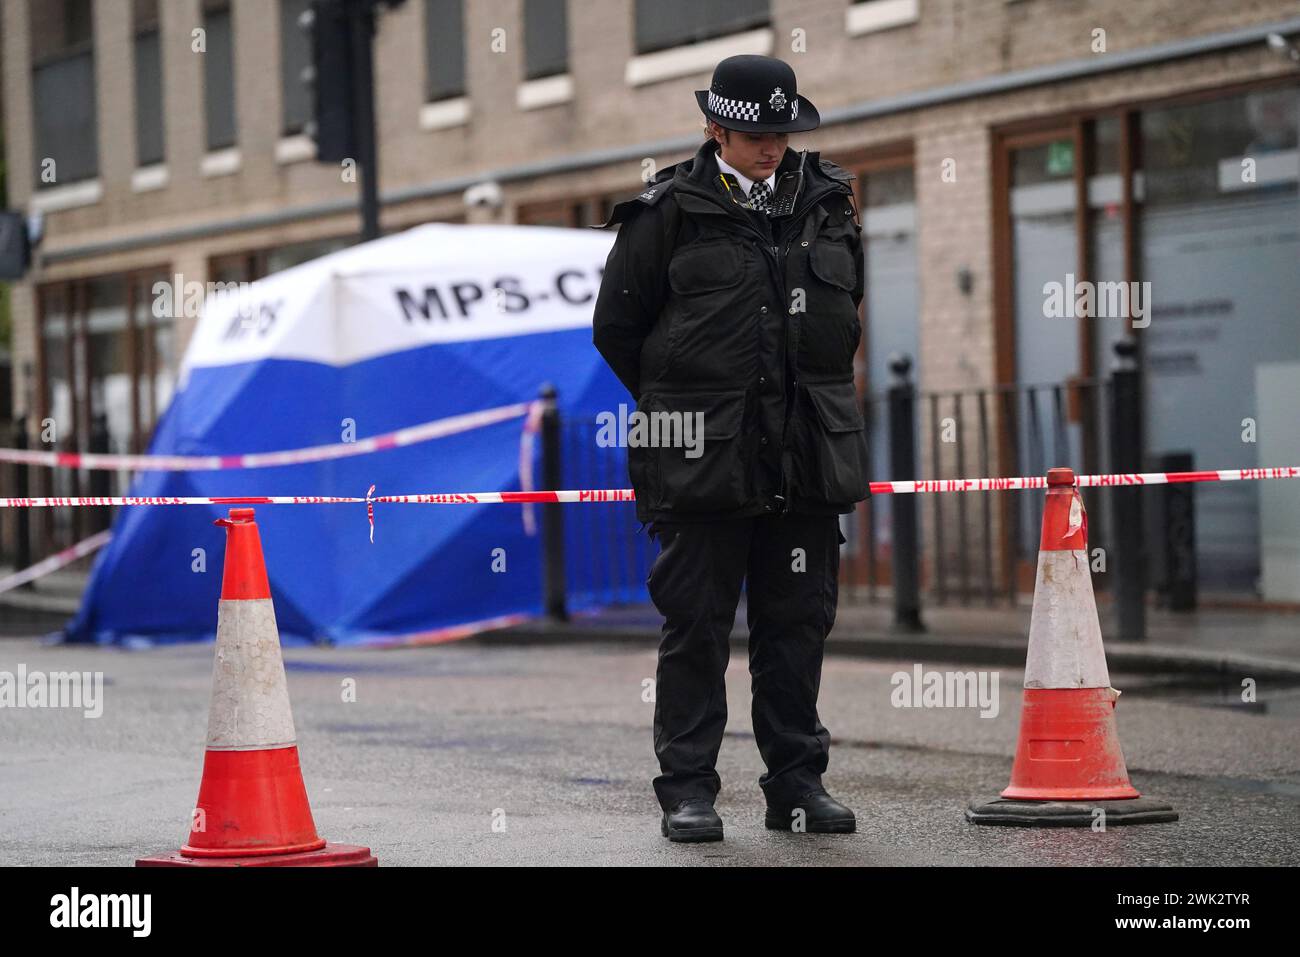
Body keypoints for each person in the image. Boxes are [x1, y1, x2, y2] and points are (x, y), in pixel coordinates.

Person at [592, 54, 870, 842]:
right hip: (702, 462)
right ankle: (687, 789)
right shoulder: (668, 212)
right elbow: (617, 329)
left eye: (782, 129)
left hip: (805, 457)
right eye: (756, 132)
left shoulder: (829, 203)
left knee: (797, 627)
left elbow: (842, 316)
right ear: (715, 127)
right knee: (697, 628)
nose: (772, 145)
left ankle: (797, 783)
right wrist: (688, 408)